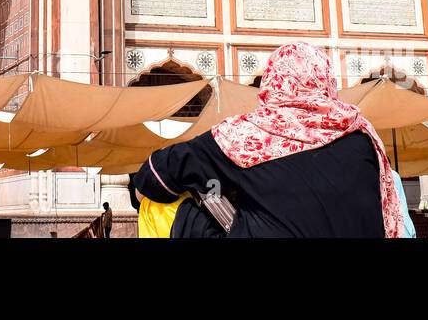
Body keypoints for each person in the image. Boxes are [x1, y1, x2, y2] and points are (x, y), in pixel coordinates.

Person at [132, 42, 405, 238]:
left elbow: (153, 175)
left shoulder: (245, 136)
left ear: (271, 82)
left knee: (154, 205)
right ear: (326, 81)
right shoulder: (362, 136)